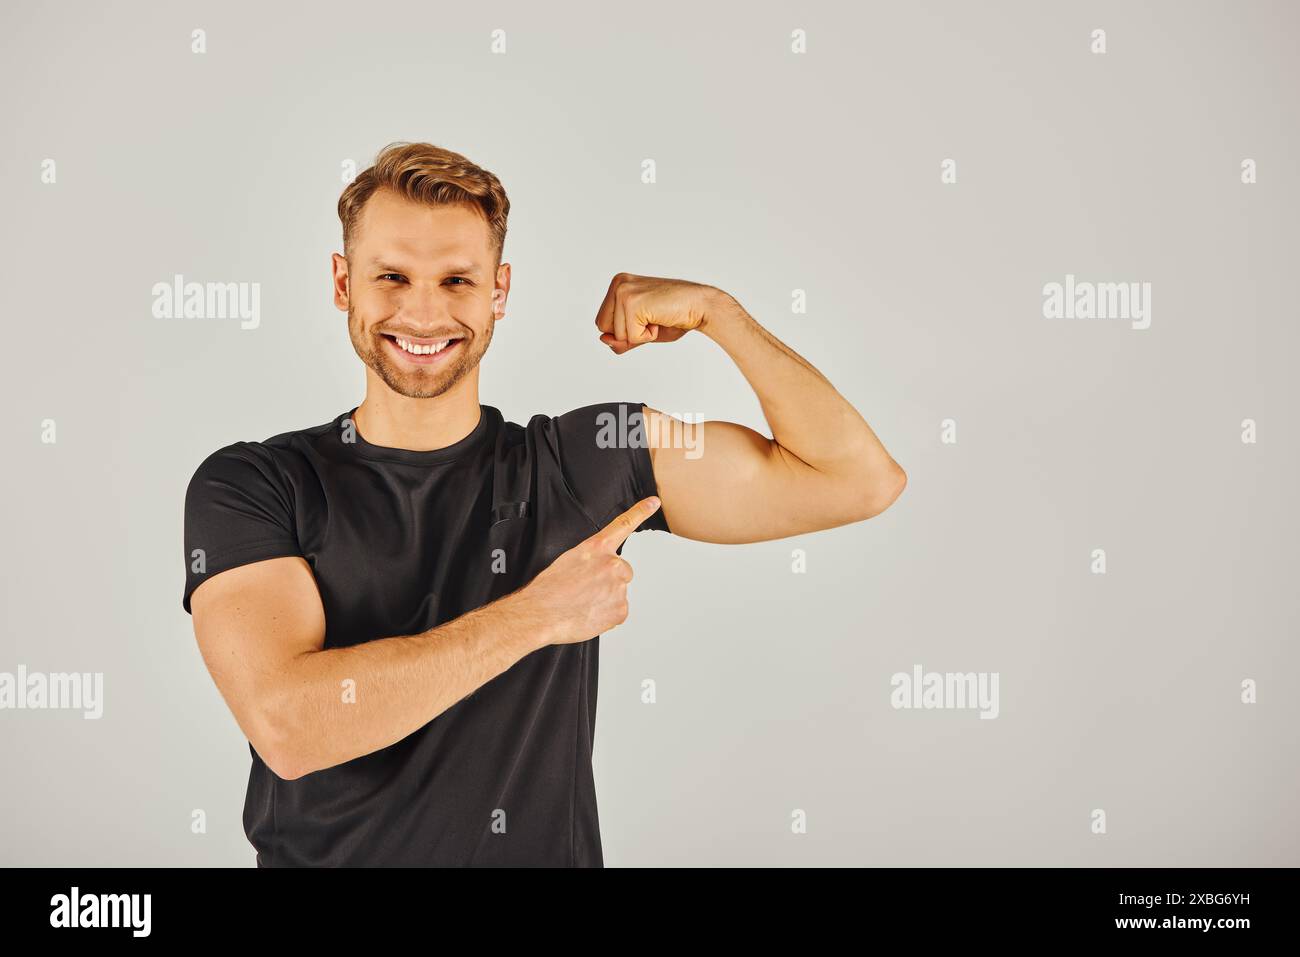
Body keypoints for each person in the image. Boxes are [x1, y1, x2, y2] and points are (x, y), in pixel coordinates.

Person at [182, 140, 907, 867]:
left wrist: (720, 314)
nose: (424, 312)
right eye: (392, 276)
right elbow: (289, 727)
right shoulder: (254, 484)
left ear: (499, 290)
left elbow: (854, 478)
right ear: (344, 283)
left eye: (457, 280)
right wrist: (537, 615)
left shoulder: (585, 458)